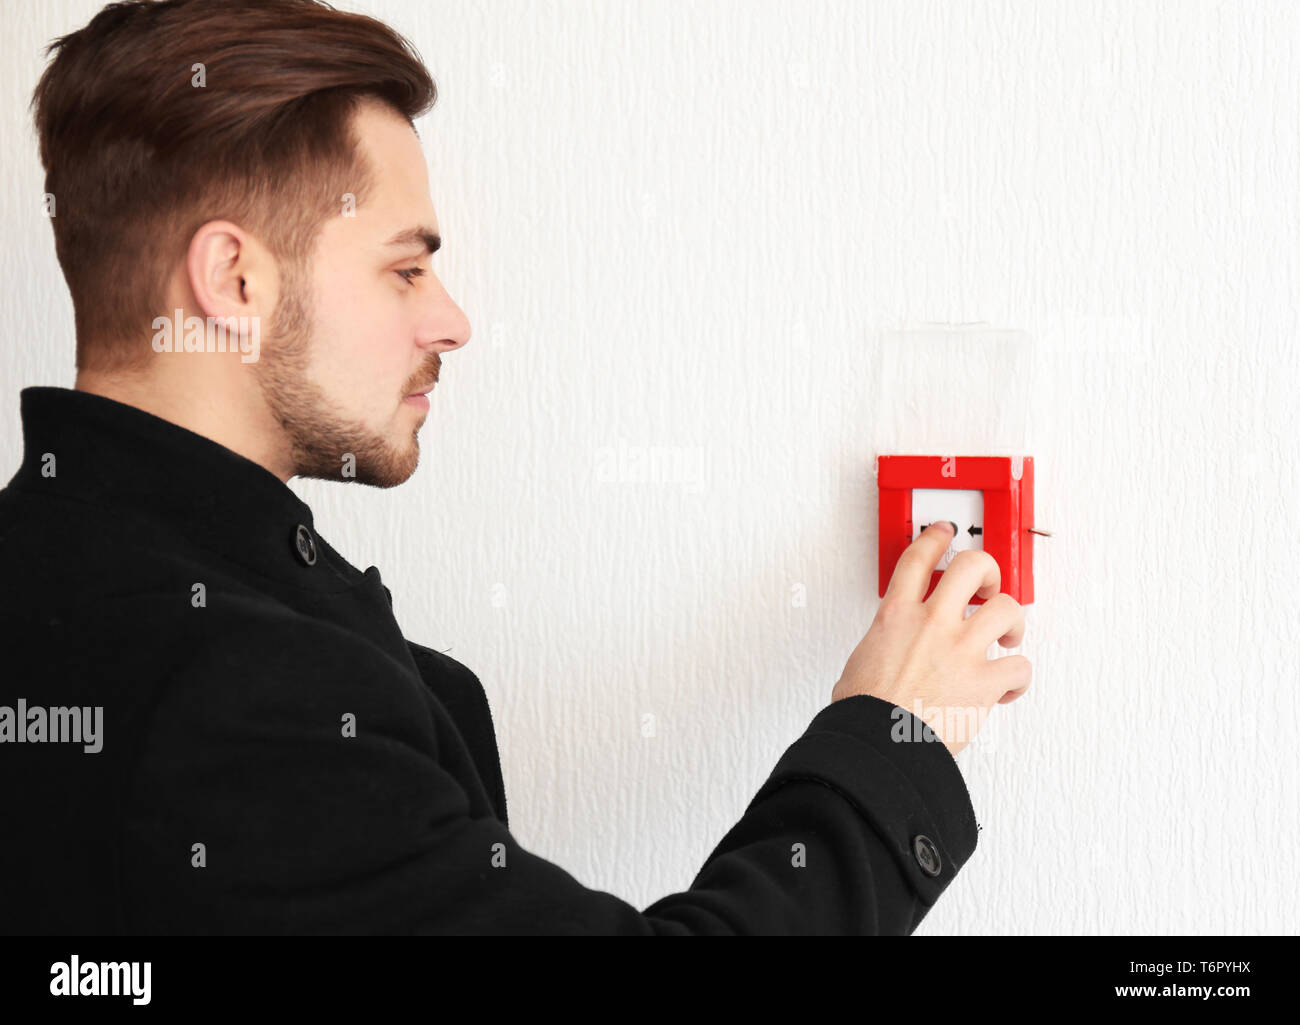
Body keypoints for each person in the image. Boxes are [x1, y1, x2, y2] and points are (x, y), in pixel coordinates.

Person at [0, 0, 1031, 935]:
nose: (450, 319)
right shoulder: (249, 693)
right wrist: (895, 733)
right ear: (233, 278)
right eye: (405, 266)